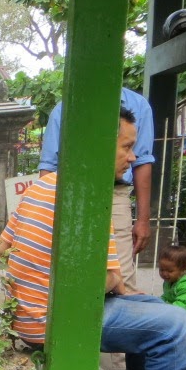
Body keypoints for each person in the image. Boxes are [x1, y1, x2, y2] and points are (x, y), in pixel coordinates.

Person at [0, 108, 186, 370]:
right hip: (57, 321)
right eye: (127, 147)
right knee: (177, 325)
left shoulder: (45, 184)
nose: (132, 157)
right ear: (101, 146)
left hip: (38, 312)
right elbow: (106, 280)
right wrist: (118, 284)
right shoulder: (84, 196)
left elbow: (0, 248)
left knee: (158, 308)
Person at [39, 87, 155, 292]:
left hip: (115, 194)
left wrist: (143, 220)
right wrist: (45, 212)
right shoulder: (65, 108)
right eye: (127, 148)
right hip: (70, 195)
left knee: (122, 280)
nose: (131, 156)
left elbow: (143, 161)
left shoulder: (137, 105)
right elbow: (49, 166)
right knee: (67, 271)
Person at [159, 243, 186, 313]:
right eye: (161, 269)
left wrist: (163, 310)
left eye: (170, 271)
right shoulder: (169, 281)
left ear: (182, 269)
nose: (164, 273)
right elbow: (167, 296)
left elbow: (182, 305)